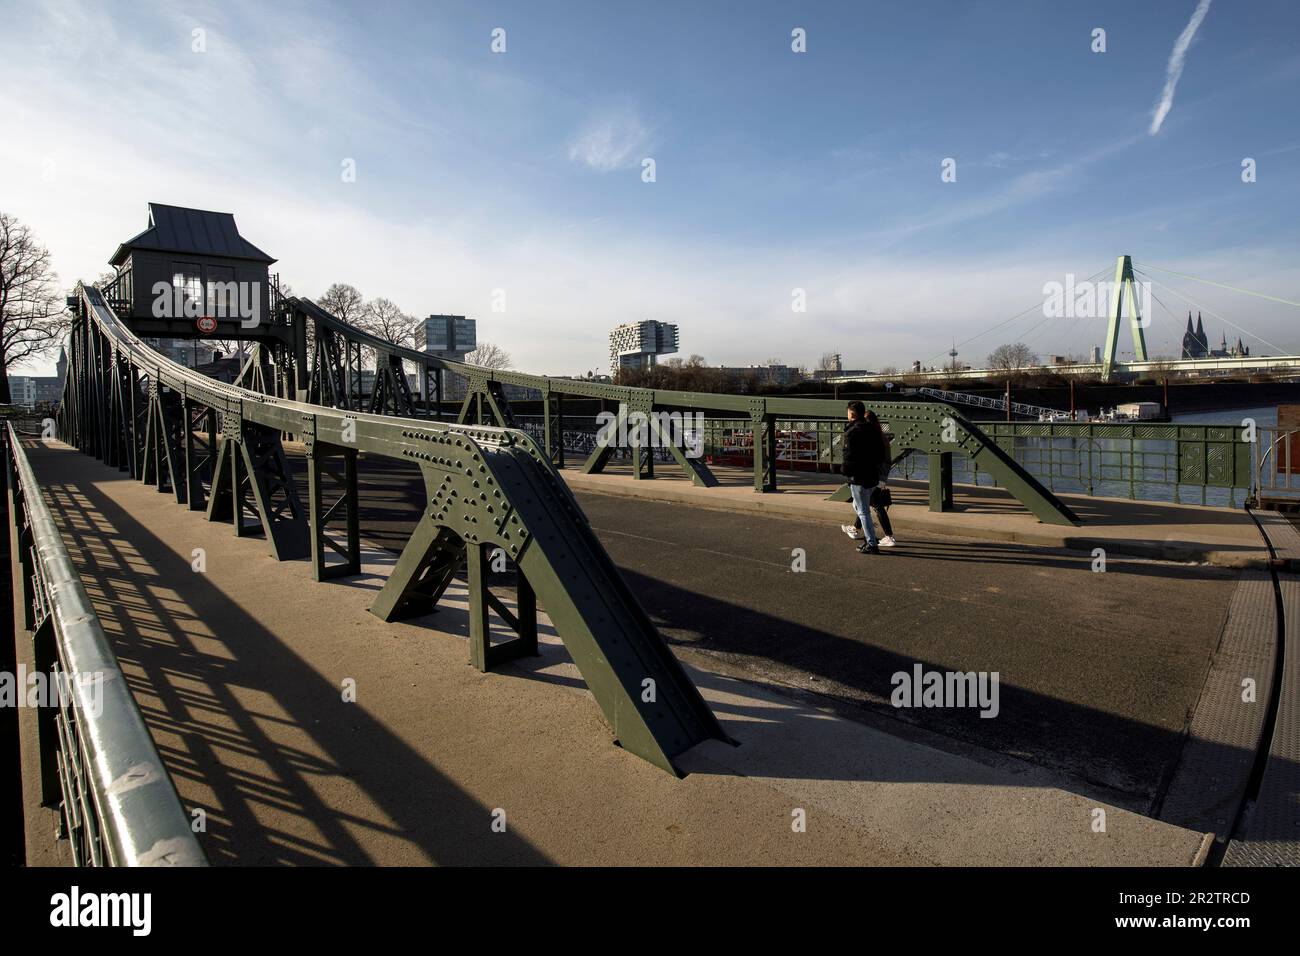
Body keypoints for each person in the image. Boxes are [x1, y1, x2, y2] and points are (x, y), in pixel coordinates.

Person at [839, 401, 885, 555]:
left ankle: (872, 543)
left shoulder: (852, 431)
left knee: (863, 511)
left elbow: (848, 456)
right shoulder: (873, 429)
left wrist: (846, 471)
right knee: (860, 508)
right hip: (872, 475)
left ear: (851, 414)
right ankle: (870, 533)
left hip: (858, 476)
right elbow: (880, 454)